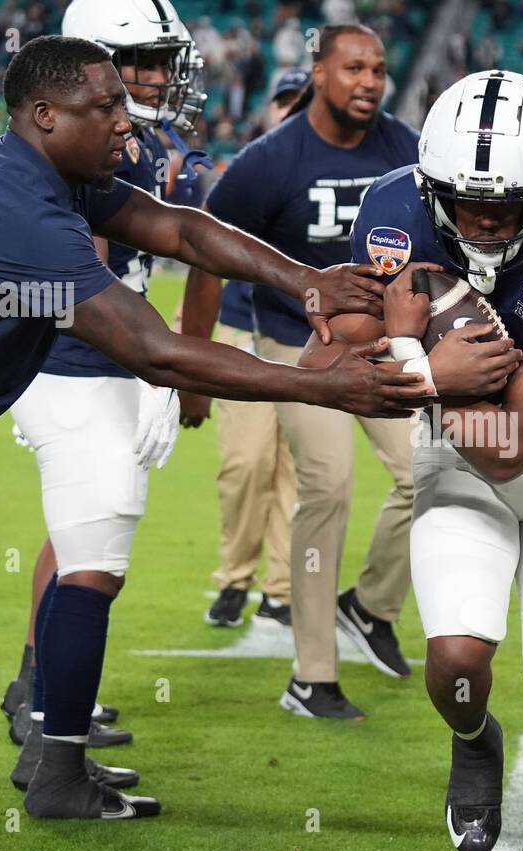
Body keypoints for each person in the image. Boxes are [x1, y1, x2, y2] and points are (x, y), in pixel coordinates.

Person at [0, 34, 429, 851]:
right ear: (43, 115)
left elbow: (177, 227)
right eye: (102, 108)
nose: (126, 123)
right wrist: (326, 386)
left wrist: (304, 281)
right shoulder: (22, 215)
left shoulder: (25, 171)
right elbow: (154, 351)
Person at [318, 68, 523, 851]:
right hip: (455, 462)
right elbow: (335, 333)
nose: (486, 221)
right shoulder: (391, 206)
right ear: (429, 188)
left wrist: (409, 350)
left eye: (507, 204)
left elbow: (511, 443)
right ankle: (474, 739)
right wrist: (406, 349)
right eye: (465, 201)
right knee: (456, 662)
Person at [0, 0, 213, 804]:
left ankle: (50, 719)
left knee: (78, 545)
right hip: (81, 364)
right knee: (94, 566)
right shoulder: (89, 149)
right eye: (144, 63)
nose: (159, 79)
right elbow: (83, 280)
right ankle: (56, 756)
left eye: (163, 63)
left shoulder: (126, 140)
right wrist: (158, 365)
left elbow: (177, 245)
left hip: (93, 364)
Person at [181, 25, 421, 719]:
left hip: (382, 345)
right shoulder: (268, 161)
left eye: (378, 68)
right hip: (296, 347)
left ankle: (369, 606)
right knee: (330, 485)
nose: (369, 81)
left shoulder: (403, 147)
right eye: (353, 68)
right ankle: (311, 676)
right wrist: (193, 373)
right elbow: (203, 252)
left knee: (430, 473)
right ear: (317, 73)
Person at [180, 66, 311, 632]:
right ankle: (235, 575)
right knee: (246, 462)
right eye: (284, 101)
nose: (291, 110)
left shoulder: (331, 178)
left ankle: (280, 589)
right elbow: (203, 260)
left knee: (297, 471)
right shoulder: (253, 174)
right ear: (269, 112)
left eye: (301, 102)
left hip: (310, 341)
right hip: (243, 328)